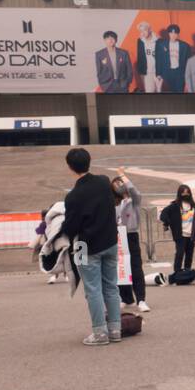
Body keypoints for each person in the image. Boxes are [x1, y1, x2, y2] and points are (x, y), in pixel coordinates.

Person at [60, 147, 121, 345]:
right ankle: (115, 329)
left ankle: (99, 333)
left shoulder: (73, 196)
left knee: (92, 289)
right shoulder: (104, 181)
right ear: (89, 161)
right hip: (110, 240)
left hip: (85, 246)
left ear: (70, 167)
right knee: (111, 286)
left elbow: (71, 226)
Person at [113, 168, 149, 312]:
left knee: (135, 268)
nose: (118, 186)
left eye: (119, 183)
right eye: (115, 185)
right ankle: (126, 298)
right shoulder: (113, 203)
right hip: (117, 236)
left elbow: (135, 191)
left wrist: (122, 175)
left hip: (130, 234)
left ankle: (141, 299)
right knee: (120, 268)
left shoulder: (133, 201)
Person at [159, 185, 195, 274]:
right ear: (180, 193)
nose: (185, 194)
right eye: (183, 192)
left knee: (189, 254)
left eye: (187, 192)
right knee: (180, 253)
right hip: (180, 234)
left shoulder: (194, 205)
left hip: (192, 234)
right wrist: (167, 222)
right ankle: (177, 272)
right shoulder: (175, 205)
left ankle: (187, 271)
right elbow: (163, 213)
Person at [134, 20, 163, 93]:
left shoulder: (159, 40)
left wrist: (161, 73)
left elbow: (164, 57)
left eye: (145, 30)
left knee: (159, 92)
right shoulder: (140, 41)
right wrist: (141, 73)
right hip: (147, 73)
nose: (143, 33)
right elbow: (140, 57)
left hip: (158, 72)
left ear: (150, 30)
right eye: (141, 31)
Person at [162, 24, 191, 93]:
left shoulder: (185, 46)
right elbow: (160, 60)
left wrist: (187, 74)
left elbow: (189, 61)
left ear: (178, 34)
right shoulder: (162, 45)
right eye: (171, 33)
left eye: (175, 33)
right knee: (171, 90)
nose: (173, 35)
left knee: (179, 90)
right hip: (168, 72)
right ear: (168, 33)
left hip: (180, 72)